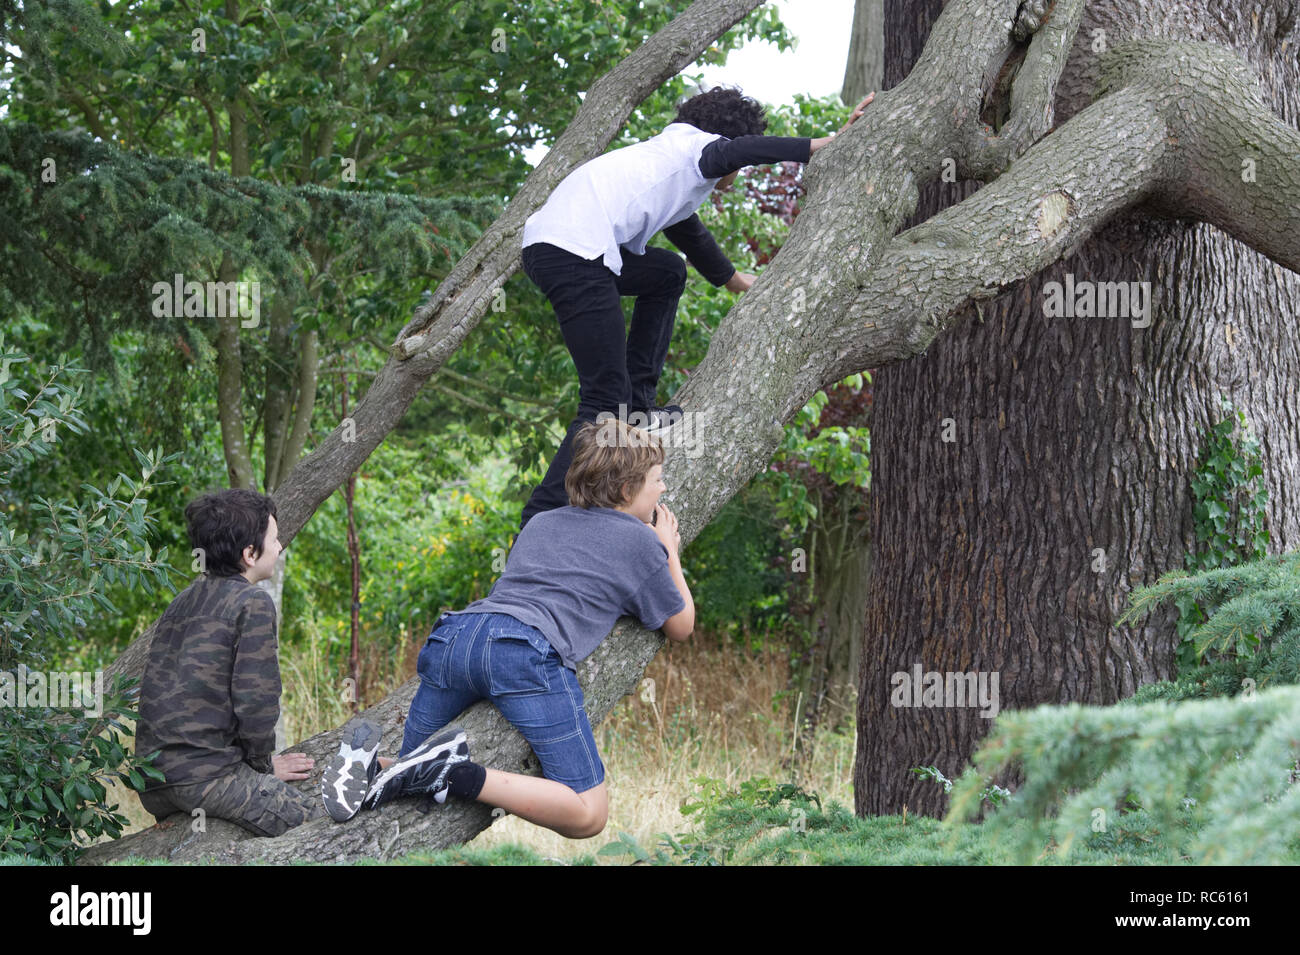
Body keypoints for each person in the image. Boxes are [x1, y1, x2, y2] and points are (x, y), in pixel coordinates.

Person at [518, 85, 875, 528]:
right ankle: (540, 519)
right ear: (727, 147)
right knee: (604, 401)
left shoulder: (671, 165)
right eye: (737, 165)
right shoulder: (697, 149)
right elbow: (734, 151)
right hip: (572, 252)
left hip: (564, 247)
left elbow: (690, 234)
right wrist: (825, 143)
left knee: (667, 272)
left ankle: (641, 408)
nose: (736, 175)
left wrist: (733, 279)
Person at [322, 418, 693, 838]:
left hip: (455, 637)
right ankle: (462, 775)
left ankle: (371, 765)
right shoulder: (640, 540)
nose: (663, 489)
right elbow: (680, 626)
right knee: (589, 815)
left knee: (410, 778)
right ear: (628, 490)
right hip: (523, 651)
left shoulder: (542, 523)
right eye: (657, 480)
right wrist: (670, 552)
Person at [135, 489, 323, 837]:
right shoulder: (253, 603)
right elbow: (256, 703)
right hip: (205, 778)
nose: (280, 547)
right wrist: (261, 768)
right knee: (321, 827)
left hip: (152, 782)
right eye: (274, 539)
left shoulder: (181, 601)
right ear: (250, 554)